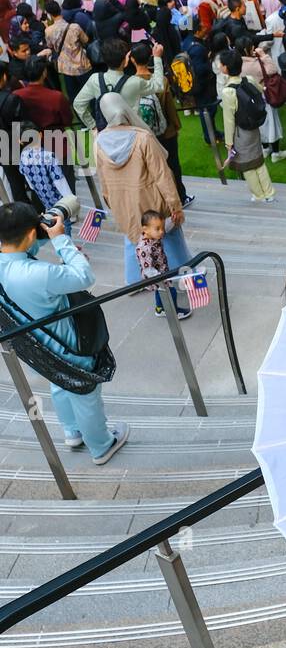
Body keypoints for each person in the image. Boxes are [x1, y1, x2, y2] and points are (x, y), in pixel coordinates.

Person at [0, 202, 129, 466]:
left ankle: (72, 431)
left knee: (59, 383)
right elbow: (83, 276)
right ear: (31, 234)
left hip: (38, 346)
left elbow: (24, 249)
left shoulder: (8, 266)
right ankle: (102, 446)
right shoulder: (39, 274)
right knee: (84, 392)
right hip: (66, 345)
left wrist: (44, 236)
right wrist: (61, 241)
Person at [95, 93, 189, 285]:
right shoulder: (143, 138)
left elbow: (102, 177)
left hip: (122, 202)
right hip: (151, 201)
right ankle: (184, 272)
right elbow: (162, 175)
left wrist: (110, 202)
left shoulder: (98, 141)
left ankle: (135, 281)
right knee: (169, 236)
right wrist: (175, 204)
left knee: (132, 239)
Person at [219, 49, 276, 203]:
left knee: (248, 165)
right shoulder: (249, 79)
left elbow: (229, 120)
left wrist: (229, 144)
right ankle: (269, 192)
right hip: (254, 127)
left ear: (225, 68)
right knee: (258, 160)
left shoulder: (228, 91)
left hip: (240, 132)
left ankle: (259, 195)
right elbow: (260, 92)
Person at [135, 209, 191, 322]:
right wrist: (160, 278)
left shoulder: (153, 236)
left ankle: (160, 309)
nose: (161, 232)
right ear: (145, 229)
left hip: (161, 271)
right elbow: (148, 268)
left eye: (162, 228)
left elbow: (164, 228)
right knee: (171, 291)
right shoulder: (144, 248)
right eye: (157, 229)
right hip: (157, 276)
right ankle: (174, 311)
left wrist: (172, 220)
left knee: (159, 291)